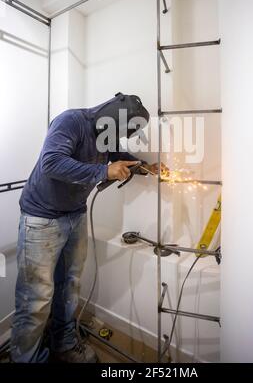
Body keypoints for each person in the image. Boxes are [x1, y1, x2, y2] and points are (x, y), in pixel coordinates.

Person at [10, 93, 161, 363]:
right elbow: (52, 162)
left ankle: (64, 343)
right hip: (41, 219)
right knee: (36, 298)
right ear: (113, 114)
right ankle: (26, 359)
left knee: (69, 286)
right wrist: (104, 172)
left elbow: (117, 155)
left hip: (75, 216)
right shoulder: (71, 121)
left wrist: (144, 167)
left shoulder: (106, 131)